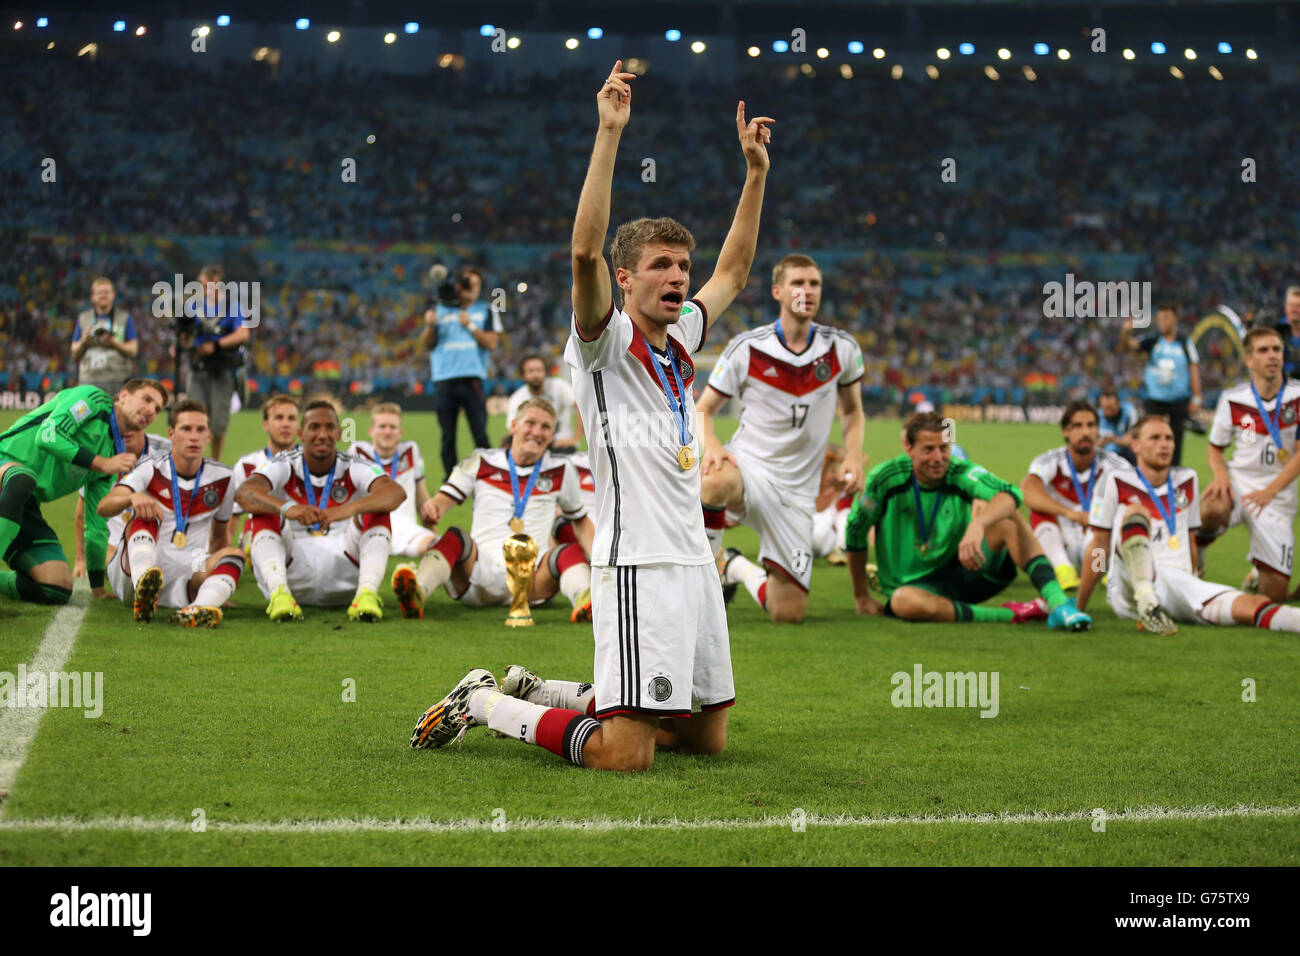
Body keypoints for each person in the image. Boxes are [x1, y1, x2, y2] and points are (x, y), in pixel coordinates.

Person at [410, 62, 772, 772]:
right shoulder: (603, 342)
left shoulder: (684, 339)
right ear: (626, 277)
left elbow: (732, 273)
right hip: (636, 561)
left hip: (693, 558)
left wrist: (755, 175)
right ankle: (484, 704)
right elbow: (582, 250)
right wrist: (609, 133)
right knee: (624, 756)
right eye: (662, 265)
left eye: (681, 265)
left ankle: (540, 688)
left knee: (703, 739)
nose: (678, 277)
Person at [698, 253, 867, 623]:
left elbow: (853, 412)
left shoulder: (842, 350)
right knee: (713, 481)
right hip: (750, 471)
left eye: (814, 284)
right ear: (778, 291)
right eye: (798, 283)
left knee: (787, 613)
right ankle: (701, 585)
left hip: (798, 494)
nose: (807, 291)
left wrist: (854, 455)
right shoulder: (748, 347)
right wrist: (712, 446)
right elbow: (702, 409)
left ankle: (735, 567)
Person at [845, 412, 1092, 629]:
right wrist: (860, 596)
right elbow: (855, 530)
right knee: (903, 602)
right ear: (909, 449)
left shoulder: (959, 471)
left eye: (944, 449)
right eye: (928, 449)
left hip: (966, 569)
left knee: (1007, 516)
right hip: (913, 589)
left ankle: (1059, 604)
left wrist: (978, 524)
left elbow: (1011, 494)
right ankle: (1015, 614)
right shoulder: (886, 479)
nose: (938, 458)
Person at [1077, 414, 1300, 635]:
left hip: (1175, 582)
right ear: (1135, 445)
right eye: (1154, 438)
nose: (1164, 444)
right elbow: (1100, 545)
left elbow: (1190, 540)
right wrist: (1081, 603)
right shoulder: (1114, 481)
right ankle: (1147, 601)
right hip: (1130, 586)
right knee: (1136, 512)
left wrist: (1192, 579)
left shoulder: (1187, 479)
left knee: (1253, 605)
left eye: (1169, 438)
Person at [400, 397, 594, 621]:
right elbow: (443, 501)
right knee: (455, 536)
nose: (537, 432)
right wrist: (433, 509)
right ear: (514, 425)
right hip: (478, 574)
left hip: (532, 582)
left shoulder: (562, 470)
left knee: (567, 551)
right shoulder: (481, 460)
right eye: (530, 423)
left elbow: (579, 519)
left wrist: (602, 561)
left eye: (545, 427)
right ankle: (417, 593)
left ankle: (585, 601)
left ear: (551, 436)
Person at [234, 400, 406, 622]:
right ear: (301, 434)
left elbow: (395, 493)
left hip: (344, 576)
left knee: (376, 507)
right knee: (262, 511)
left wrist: (346, 510)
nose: (322, 434)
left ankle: (367, 593)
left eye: (329, 428)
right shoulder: (283, 463)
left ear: (339, 433)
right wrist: (288, 508)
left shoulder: (355, 464)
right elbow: (244, 493)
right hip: (294, 573)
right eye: (314, 427)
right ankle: (279, 594)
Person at [0, 379, 166, 606]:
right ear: (124, 395)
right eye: (146, 399)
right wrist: (101, 462)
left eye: (157, 409)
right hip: (5, 468)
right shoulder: (93, 401)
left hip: (21, 502)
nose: (150, 410)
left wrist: (96, 586)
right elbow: (47, 436)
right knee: (22, 479)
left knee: (56, 586)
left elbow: (96, 524)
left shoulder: (112, 454)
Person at [98, 399, 244, 627]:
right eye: (186, 429)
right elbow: (104, 506)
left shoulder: (223, 478)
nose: (193, 436)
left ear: (208, 435)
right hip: (139, 565)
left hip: (192, 569)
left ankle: (199, 607)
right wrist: (130, 497)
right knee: (147, 516)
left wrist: (216, 581)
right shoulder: (150, 467)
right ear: (171, 434)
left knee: (234, 555)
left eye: (200, 430)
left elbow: (220, 537)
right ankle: (143, 586)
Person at [1197, 326, 1300, 602]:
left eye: (1277, 349)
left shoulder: (1298, 396)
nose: (1272, 356)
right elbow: (1215, 449)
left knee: (1274, 596)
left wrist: (1270, 492)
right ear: (1249, 359)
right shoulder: (1232, 399)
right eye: (1263, 350)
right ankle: (1200, 554)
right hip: (1239, 487)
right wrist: (1220, 477)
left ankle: (1258, 575)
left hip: (1277, 499)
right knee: (1211, 508)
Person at [1021, 400, 1130, 590]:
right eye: (1078, 426)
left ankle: (1101, 571)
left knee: (1123, 510)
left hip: (1097, 547)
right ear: (1066, 431)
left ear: (1098, 430)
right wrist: (1071, 513)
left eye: (1091, 425)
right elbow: (1027, 491)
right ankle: (1063, 570)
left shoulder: (1116, 465)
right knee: (1037, 509)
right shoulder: (1050, 460)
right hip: (1061, 544)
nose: (1085, 432)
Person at [417, 266, 502, 477]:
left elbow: (492, 343)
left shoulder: (486, 310)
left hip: (472, 378)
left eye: (475, 285)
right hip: (444, 379)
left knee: (480, 432)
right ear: (457, 286)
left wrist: (470, 326)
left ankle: (489, 475)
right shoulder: (438, 310)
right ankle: (451, 480)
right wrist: (429, 326)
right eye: (466, 283)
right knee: (448, 435)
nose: (471, 288)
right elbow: (426, 345)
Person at [73, 426, 171, 580]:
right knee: (114, 557)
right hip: (112, 544)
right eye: (123, 426)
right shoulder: (100, 452)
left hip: (156, 535)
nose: (127, 431)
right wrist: (80, 559)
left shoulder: (166, 450)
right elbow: (83, 511)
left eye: (132, 425)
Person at [347, 402, 435, 562]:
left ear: (400, 432)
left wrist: (432, 529)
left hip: (407, 533)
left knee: (438, 544)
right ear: (371, 431)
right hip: (368, 529)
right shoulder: (358, 452)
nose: (387, 432)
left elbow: (422, 497)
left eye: (392, 427)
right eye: (382, 426)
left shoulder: (410, 451)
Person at [1119, 302, 1202, 465]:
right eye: (1160, 318)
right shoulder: (1153, 340)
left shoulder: (1185, 343)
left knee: (1175, 441)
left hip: (1179, 402)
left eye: (1166, 318)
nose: (1162, 322)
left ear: (1175, 319)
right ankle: (1149, 472)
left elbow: (1193, 370)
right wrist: (1125, 332)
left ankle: (1174, 476)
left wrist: (1197, 397)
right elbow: (1128, 347)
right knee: (1150, 437)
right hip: (1155, 401)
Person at [183, 265, 251, 462]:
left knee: (219, 423)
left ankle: (215, 462)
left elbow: (243, 333)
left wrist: (215, 345)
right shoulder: (192, 306)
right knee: (195, 416)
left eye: (210, 285)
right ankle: (195, 461)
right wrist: (184, 343)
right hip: (198, 368)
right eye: (204, 285)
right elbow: (184, 333)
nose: (206, 290)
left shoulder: (232, 305)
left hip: (223, 369)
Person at [232, 394, 301, 546]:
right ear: (265, 424)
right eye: (278, 418)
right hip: (262, 535)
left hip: (303, 537)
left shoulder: (312, 462)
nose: (285, 424)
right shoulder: (247, 465)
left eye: (291, 418)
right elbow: (234, 515)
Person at [70, 276, 139, 394]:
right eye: (99, 293)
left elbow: (133, 350)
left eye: (107, 292)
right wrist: (84, 340)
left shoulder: (124, 318)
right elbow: (74, 351)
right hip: (89, 379)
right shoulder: (83, 318)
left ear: (114, 295)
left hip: (117, 379)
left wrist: (114, 343)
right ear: (92, 296)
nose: (103, 295)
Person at [506, 355, 582, 451]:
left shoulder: (559, 386)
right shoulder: (517, 398)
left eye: (539, 370)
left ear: (545, 372)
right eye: (531, 371)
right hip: (533, 443)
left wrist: (575, 439)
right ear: (523, 375)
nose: (536, 375)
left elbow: (580, 408)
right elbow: (512, 429)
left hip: (561, 443)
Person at [811, 445, 854, 564]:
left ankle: (841, 550)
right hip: (812, 536)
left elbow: (862, 459)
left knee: (845, 516)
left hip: (831, 537)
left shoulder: (842, 484)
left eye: (833, 469)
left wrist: (841, 456)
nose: (830, 475)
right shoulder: (808, 485)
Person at [1097, 388, 1139, 466]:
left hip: (1126, 455)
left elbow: (1131, 441)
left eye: (1110, 408)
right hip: (1103, 456)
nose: (1108, 412)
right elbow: (1093, 445)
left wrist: (1111, 439)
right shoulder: (1097, 415)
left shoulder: (1129, 412)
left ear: (1119, 404)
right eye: (1104, 408)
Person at [1273, 285, 1300, 379]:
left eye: (1298, 306)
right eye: (1291, 305)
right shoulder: (1275, 332)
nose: (1295, 310)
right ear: (1286, 307)